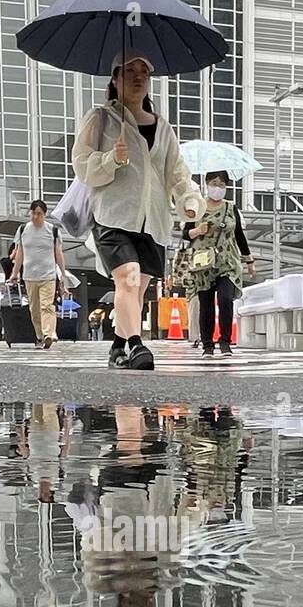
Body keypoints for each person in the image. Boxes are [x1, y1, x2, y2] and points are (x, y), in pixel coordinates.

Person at [71, 52, 205, 371]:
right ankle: (135, 345)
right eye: (129, 71)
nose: (137, 77)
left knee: (136, 290)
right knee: (128, 281)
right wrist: (110, 160)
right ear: (115, 79)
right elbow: (81, 164)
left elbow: (177, 172)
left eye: (143, 71)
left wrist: (189, 199)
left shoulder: (162, 127)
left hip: (154, 222)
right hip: (113, 216)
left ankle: (117, 345)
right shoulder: (100, 119)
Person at [182, 169, 255, 357]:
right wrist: (198, 230)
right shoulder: (197, 207)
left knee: (225, 299)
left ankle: (225, 342)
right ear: (207, 185)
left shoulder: (231, 208)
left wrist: (249, 260)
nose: (218, 188)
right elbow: (185, 234)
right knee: (205, 303)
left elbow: (239, 235)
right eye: (214, 184)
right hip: (203, 263)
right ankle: (207, 345)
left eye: (222, 185)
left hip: (228, 262)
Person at [8, 200, 67, 350]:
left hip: (48, 275)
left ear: (45, 215)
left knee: (47, 306)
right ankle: (40, 336)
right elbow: (20, 253)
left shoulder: (52, 231)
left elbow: (58, 253)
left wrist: (63, 274)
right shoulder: (23, 230)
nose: (36, 217)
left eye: (39, 214)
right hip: (29, 276)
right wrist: (15, 273)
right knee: (34, 310)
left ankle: (48, 334)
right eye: (33, 213)